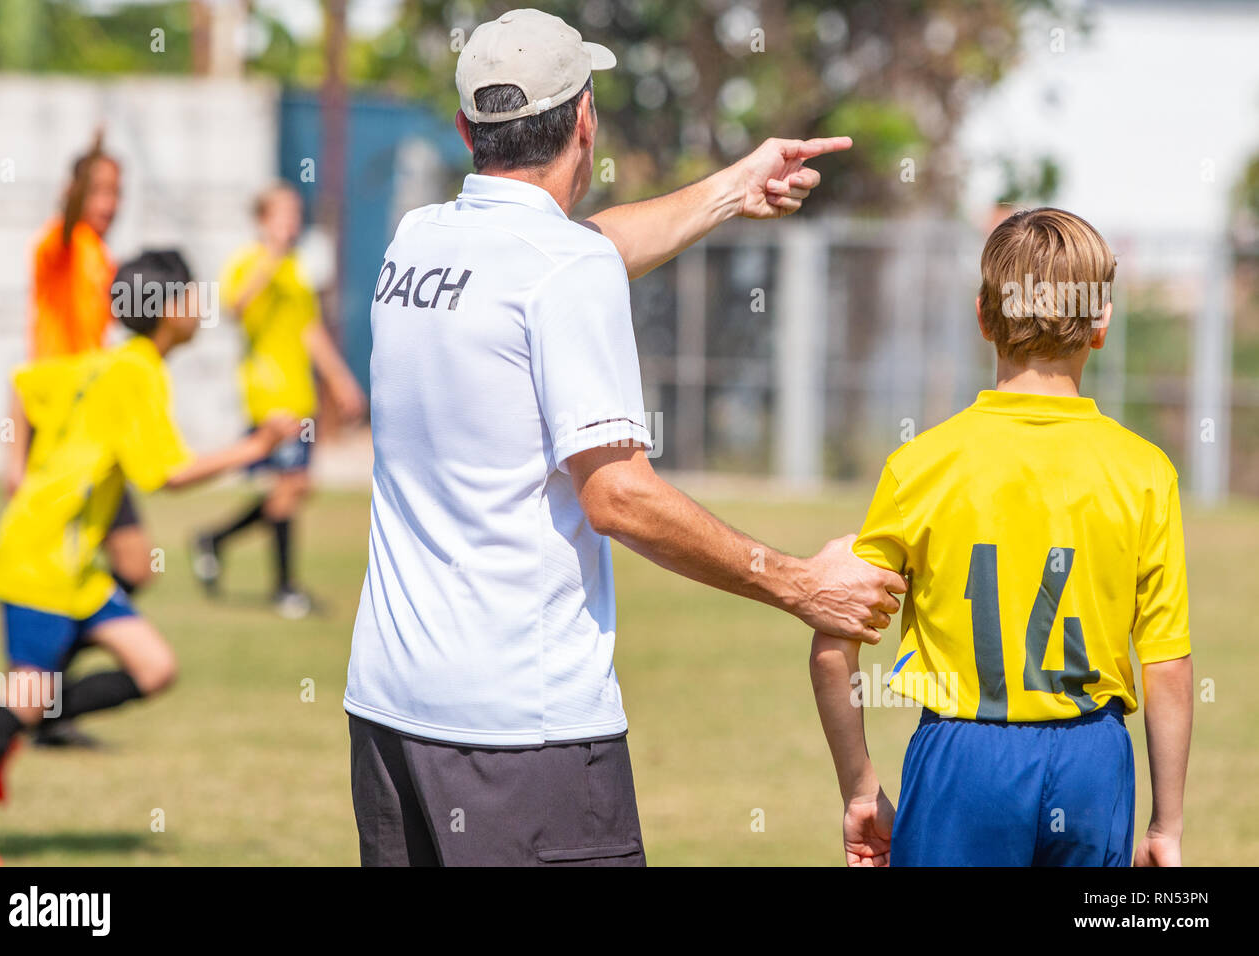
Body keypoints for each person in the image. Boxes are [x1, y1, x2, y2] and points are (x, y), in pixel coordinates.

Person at [344, 8, 904, 867]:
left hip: (389, 716)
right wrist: (799, 585)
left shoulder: (416, 242)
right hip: (523, 740)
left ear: (465, 130)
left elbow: (572, 251)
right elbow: (618, 496)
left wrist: (730, 188)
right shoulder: (564, 271)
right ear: (583, 120)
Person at [810, 208, 1193, 867]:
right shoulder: (1146, 472)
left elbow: (832, 643)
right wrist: (1166, 825)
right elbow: (1167, 666)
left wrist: (859, 787)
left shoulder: (920, 465)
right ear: (1101, 323)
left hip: (965, 760)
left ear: (983, 317)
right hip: (1093, 760)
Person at [0, 251, 298, 867]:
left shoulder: (113, 362)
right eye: (193, 297)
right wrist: (256, 445)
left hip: (75, 565)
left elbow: (23, 385)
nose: (201, 307)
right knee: (32, 693)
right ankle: (9, 718)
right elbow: (167, 473)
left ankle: (8, 714)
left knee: (153, 668)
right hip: (41, 560)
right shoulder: (136, 373)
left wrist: (17, 468)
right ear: (169, 312)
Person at [14, 134, 148, 749]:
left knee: (136, 564)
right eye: (98, 189)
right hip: (63, 436)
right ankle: (41, 708)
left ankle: (45, 704)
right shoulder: (59, 244)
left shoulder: (100, 255)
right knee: (124, 563)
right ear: (73, 194)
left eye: (116, 190)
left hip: (97, 433)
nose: (109, 201)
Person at [191, 183, 366, 619]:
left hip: (299, 394)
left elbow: (310, 332)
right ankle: (285, 589)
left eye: (294, 213)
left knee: (297, 486)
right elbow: (236, 306)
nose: (291, 221)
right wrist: (270, 256)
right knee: (289, 485)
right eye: (282, 214)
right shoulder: (250, 262)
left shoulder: (296, 269)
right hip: (268, 395)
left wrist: (341, 381)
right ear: (262, 220)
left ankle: (214, 539)